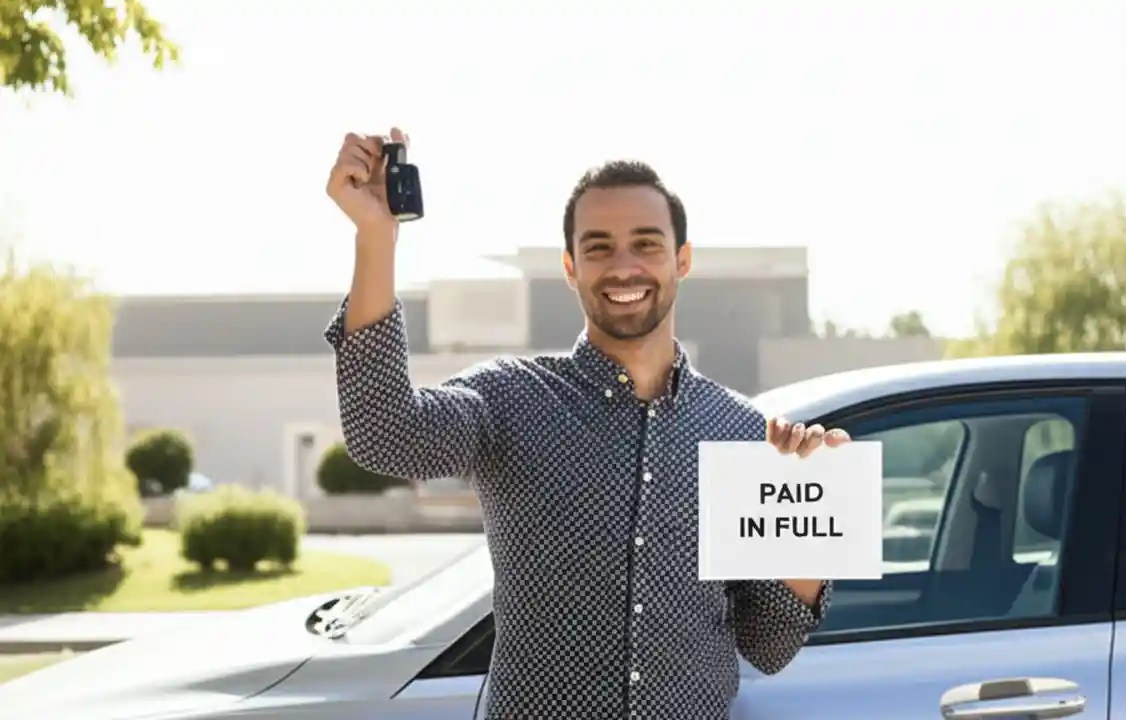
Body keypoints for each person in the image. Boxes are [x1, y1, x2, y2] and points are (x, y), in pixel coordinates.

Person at [322, 127, 847, 720]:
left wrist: (813, 526)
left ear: (682, 260)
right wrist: (375, 237)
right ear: (571, 267)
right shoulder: (509, 398)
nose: (623, 268)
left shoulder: (741, 435)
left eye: (645, 245)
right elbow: (382, 433)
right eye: (599, 247)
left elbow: (767, 648)